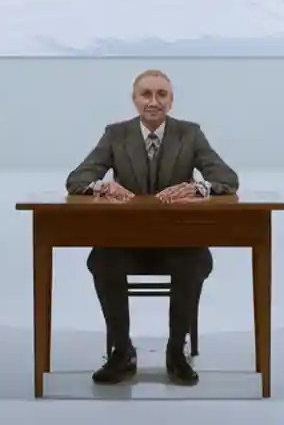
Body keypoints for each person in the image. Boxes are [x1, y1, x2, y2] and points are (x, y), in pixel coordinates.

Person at [65, 69, 239, 386]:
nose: (153, 102)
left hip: (177, 242)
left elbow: (227, 179)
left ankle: (176, 352)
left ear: (171, 101)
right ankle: (122, 352)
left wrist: (198, 188)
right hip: (127, 242)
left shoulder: (190, 134)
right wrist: (102, 187)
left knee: (195, 259)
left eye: (162, 95)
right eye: (146, 94)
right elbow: (76, 180)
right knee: (102, 260)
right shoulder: (116, 135)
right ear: (135, 100)